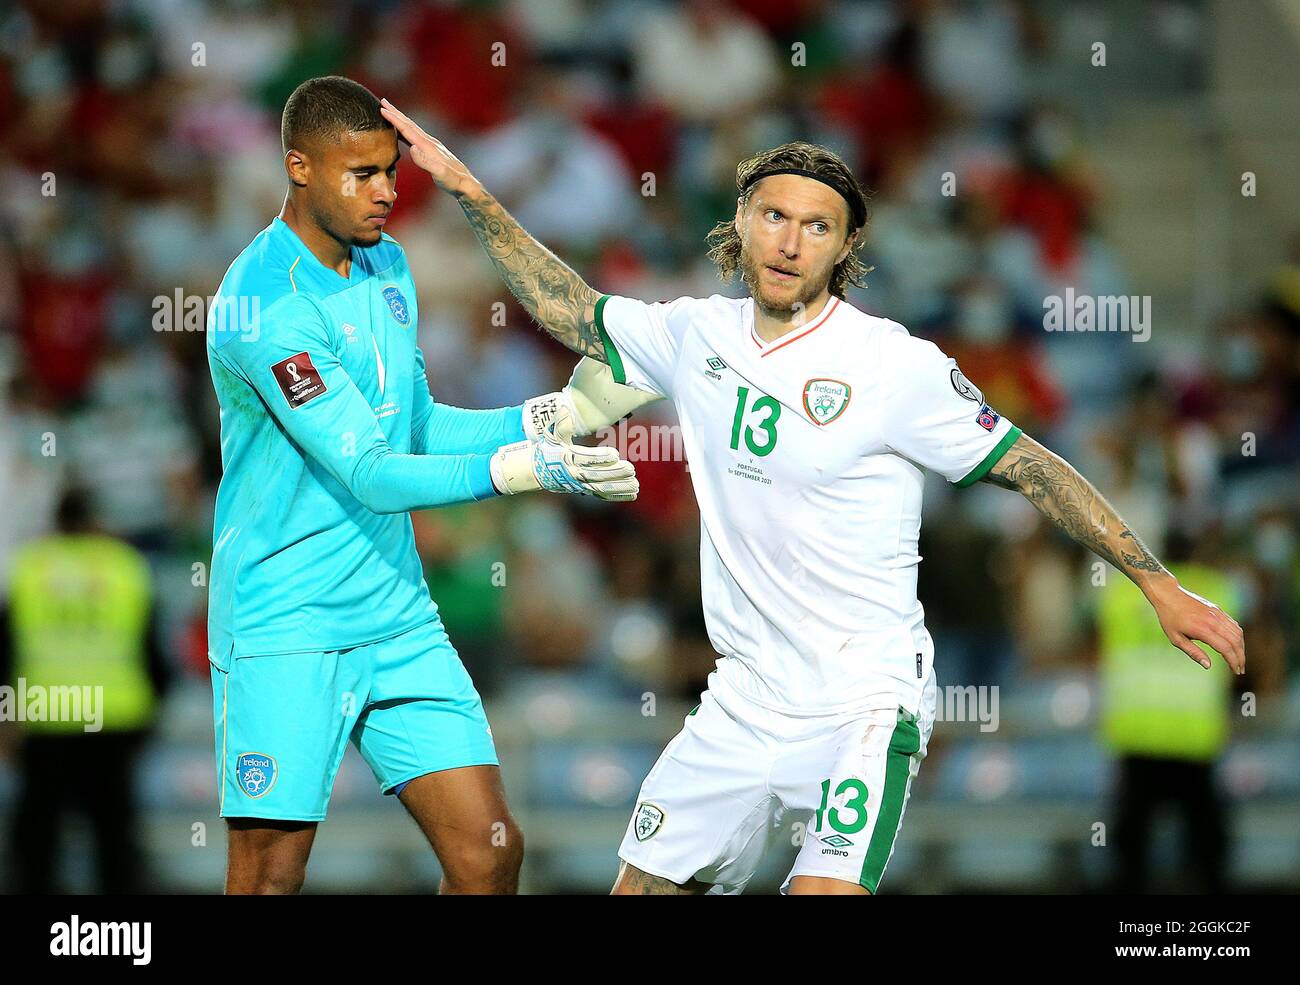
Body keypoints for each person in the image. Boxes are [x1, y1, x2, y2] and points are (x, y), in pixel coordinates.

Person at [379, 100, 1245, 895]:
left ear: (844, 248)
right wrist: (469, 191)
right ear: (743, 226)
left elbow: (1031, 465)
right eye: (776, 217)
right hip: (743, 697)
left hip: (861, 701)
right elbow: (571, 308)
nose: (792, 242)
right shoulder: (693, 333)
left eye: (818, 226)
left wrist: (1154, 580)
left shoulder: (893, 365)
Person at [205, 76, 640, 895]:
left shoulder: (387, 262)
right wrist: (525, 469)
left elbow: (412, 428)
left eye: (390, 172)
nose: (385, 193)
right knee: (269, 879)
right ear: (298, 167)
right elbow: (369, 474)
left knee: (489, 855)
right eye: (359, 174)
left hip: (398, 614)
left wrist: (554, 418)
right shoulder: (261, 305)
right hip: (288, 619)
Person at [1, 487, 170, 893]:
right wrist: (153, 709)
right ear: (97, 521)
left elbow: (5, 651)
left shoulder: (28, 567)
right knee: (113, 835)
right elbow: (153, 654)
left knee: (37, 838)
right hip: (114, 719)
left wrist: (6, 717)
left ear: (56, 521)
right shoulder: (126, 566)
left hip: (46, 718)